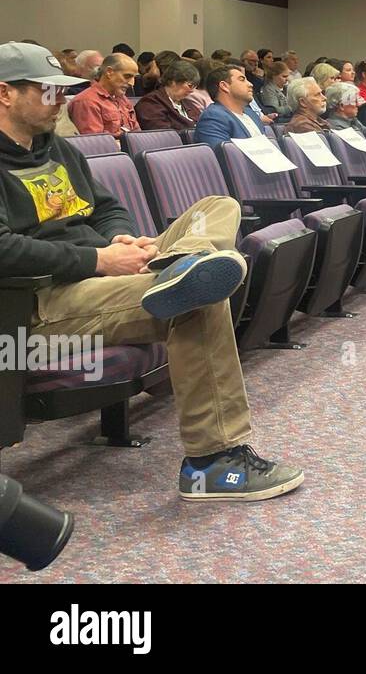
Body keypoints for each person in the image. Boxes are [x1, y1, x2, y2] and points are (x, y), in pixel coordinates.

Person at [0, 42, 302, 500]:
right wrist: (99, 260)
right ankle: (212, 463)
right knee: (197, 302)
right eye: (47, 91)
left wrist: (120, 238)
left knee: (218, 206)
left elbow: (106, 206)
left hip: (102, 270)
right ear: (5, 93)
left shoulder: (53, 147)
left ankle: (175, 265)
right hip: (41, 302)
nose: (59, 100)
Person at [67, 52, 140, 138]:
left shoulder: (123, 99)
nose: (132, 83)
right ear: (109, 72)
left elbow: (138, 135)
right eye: (127, 76)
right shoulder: (86, 101)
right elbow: (96, 144)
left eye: (134, 78)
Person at [193, 65, 266, 147]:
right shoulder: (213, 117)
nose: (250, 84)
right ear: (224, 86)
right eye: (242, 79)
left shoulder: (251, 114)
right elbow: (223, 155)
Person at [135, 58, 201, 131]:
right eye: (190, 85)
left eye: (195, 87)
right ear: (173, 81)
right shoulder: (150, 103)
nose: (192, 91)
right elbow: (165, 134)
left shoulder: (188, 104)